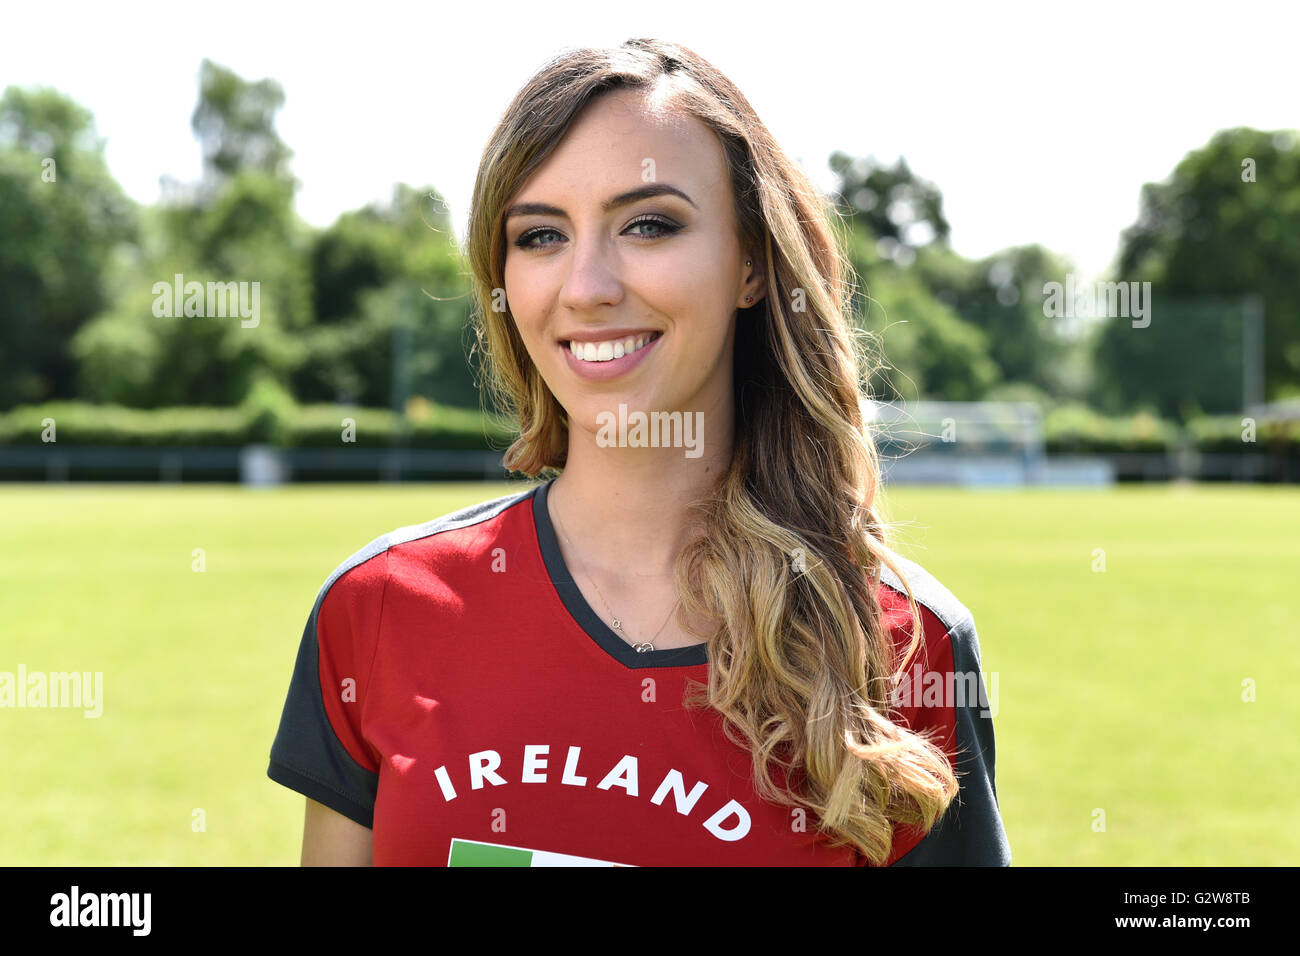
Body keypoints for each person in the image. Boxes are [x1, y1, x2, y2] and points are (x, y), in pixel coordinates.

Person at [267, 37, 1011, 867]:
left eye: (649, 225)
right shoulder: (380, 610)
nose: (587, 285)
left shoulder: (903, 645)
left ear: (753, 266)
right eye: (541, 236)